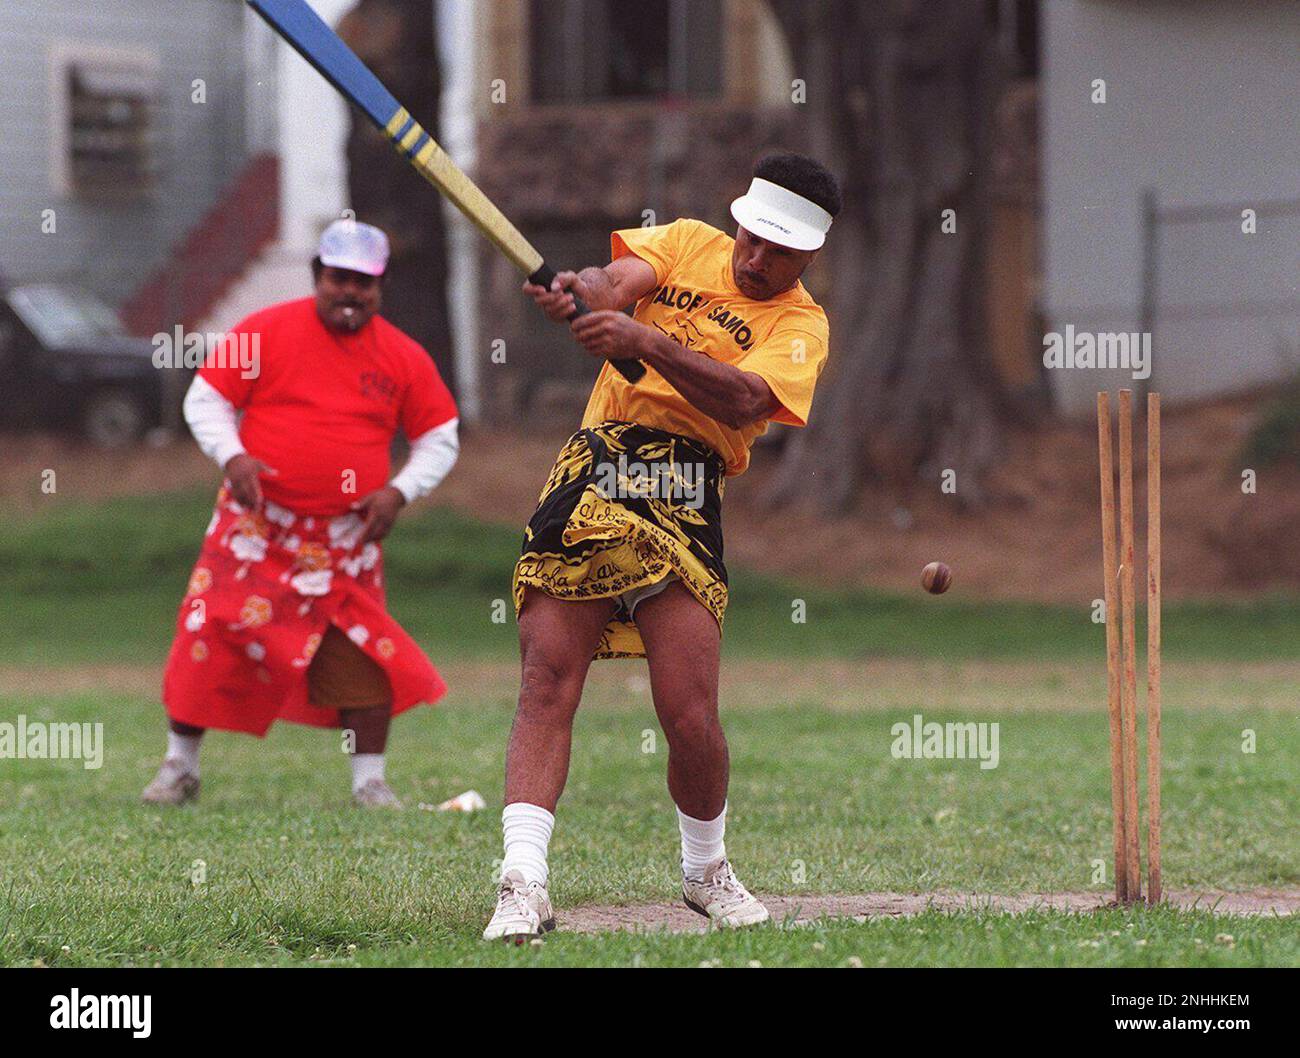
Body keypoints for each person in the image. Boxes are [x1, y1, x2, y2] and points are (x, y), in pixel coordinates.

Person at [483, 153, 840, 940]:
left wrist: (648, 343)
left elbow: (746, 397)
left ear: (809, 255)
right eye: (750, 237)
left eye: (778, 251)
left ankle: (705, 870)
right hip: (596, 465)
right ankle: (522, 882)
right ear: (737, 219)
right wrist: (579, 292)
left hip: (687, 488)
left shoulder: (801, 323)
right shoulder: (685, 241)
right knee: (547, 678)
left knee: (689, 713)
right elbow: (612, 285)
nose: (754, 258)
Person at [142, 219, 459, 808]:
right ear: (317, 276)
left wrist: (399, 491)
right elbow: (206, 398)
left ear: (379, 288)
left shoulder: (402, 355)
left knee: (363, 650)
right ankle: (178, 768)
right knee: (207, 632)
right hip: (256, 529)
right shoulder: (265, 331)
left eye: (364, 283)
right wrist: (232, 455)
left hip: (346, 537)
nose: (351, 292)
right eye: (340, 278)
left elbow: (439, 434)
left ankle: (370, 783)